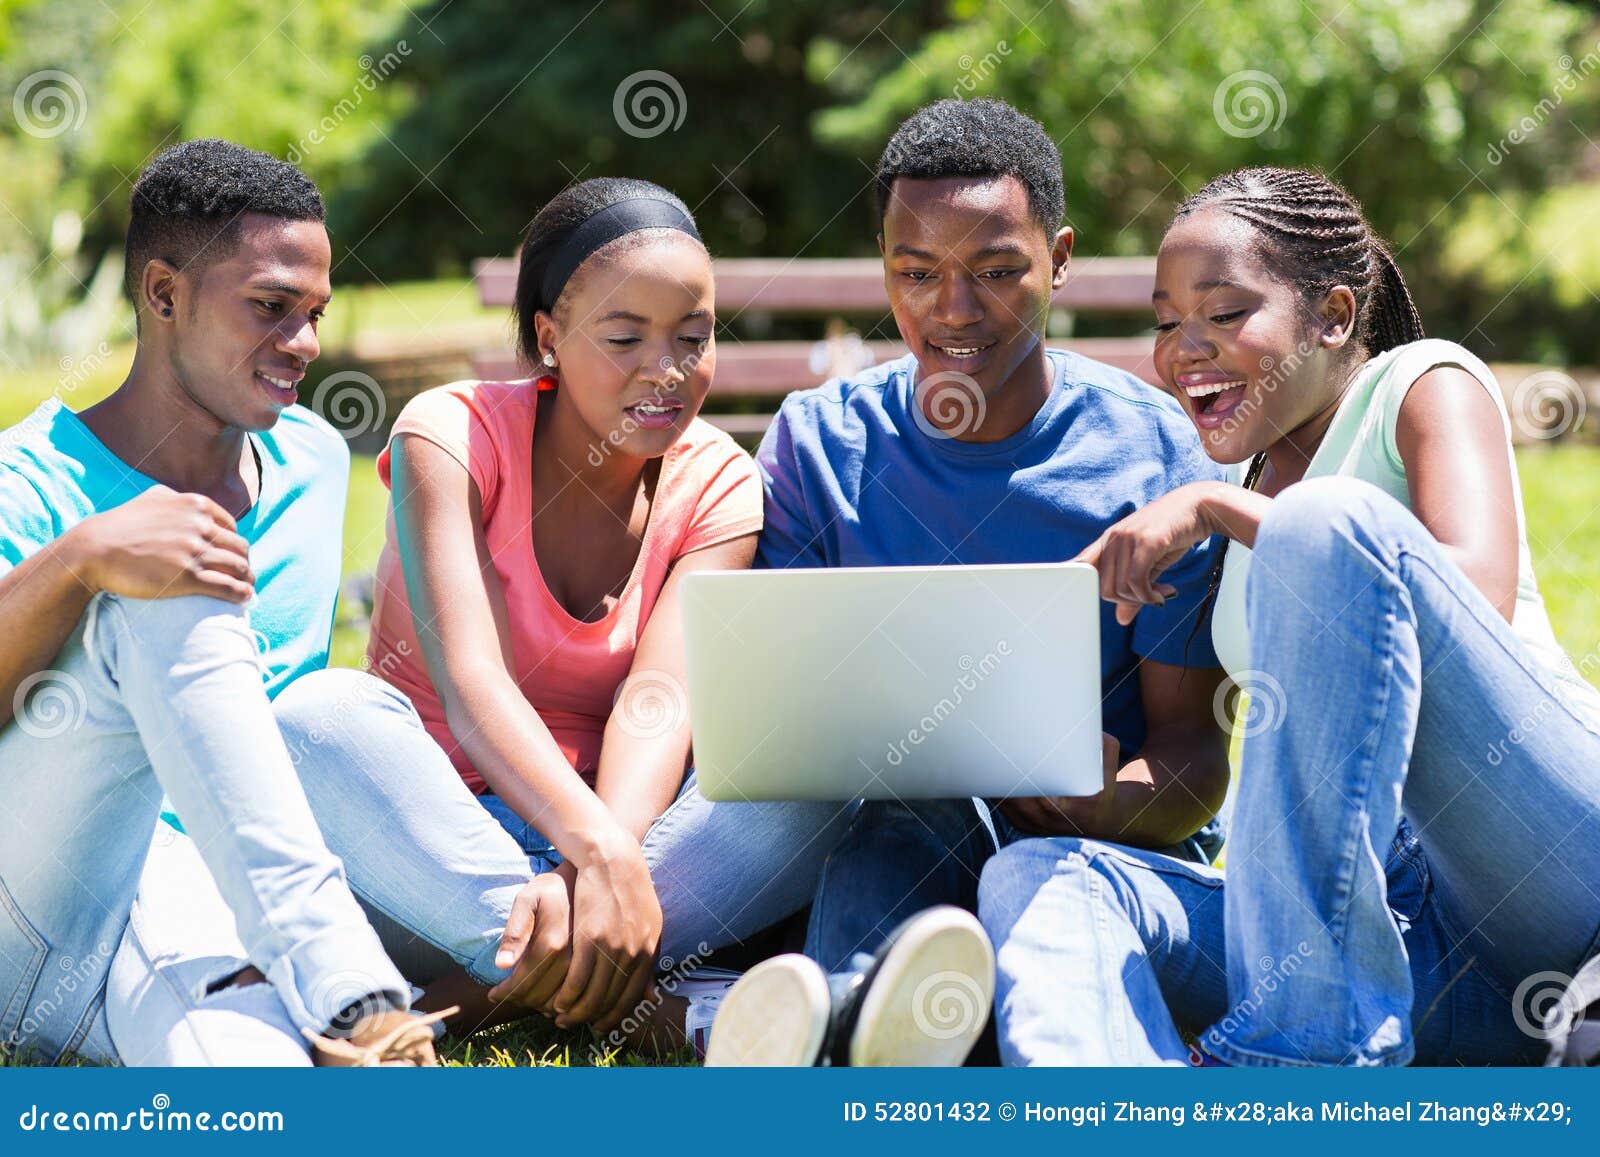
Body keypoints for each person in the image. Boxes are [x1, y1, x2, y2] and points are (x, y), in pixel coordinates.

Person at [979, 166, 1600, 1066]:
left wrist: (1210, 507)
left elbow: (1475, 598)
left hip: (1546, 861)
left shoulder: (1421, 385)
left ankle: (1295, 1067)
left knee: (1325, 523)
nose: (1183, 350)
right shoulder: (1246, 502)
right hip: (1404, 957)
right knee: (1043, 877)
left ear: (1335, 316)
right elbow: (1228, 772)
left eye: (1225, 315)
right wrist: (1089, 791)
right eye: (1165, 324)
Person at [705, 99, 1232, 1067]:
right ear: (883, 267)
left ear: (1059, 259)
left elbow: (1194, 754)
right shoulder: (821, 443)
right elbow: (773, 721)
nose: (953, 310)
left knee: (957, 831)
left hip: (1083, 852)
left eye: (995, 272)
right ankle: (874, 1018)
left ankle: (835, 1024)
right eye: (916, 274)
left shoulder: (1156, 453)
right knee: (917, 799)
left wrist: (1111, 800)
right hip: (880, 835)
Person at [284, 178, 858, 1055]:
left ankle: (452, 1001)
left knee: (828, 760)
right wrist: (601, 858)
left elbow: (657, 702)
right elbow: (471, 684)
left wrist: (605, 856)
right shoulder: (449, 433)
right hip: (426, 849)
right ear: (549, 336)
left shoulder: (721, 484)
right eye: (625, 337)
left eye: (694, 338)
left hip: (631, 849)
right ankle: (683, 1013)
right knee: (314, 719)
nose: (667, 370)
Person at [0, 139, 435, 1067]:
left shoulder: (314, 461)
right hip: (46, 914)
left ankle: (367, 1017)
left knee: (247, 1072)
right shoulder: (27, 479)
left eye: (314, 313)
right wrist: (83, 558)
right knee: (168, 578)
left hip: (220, 913)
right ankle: (353, 990)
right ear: (163, 295)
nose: (306, 344)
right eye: (271, 308)